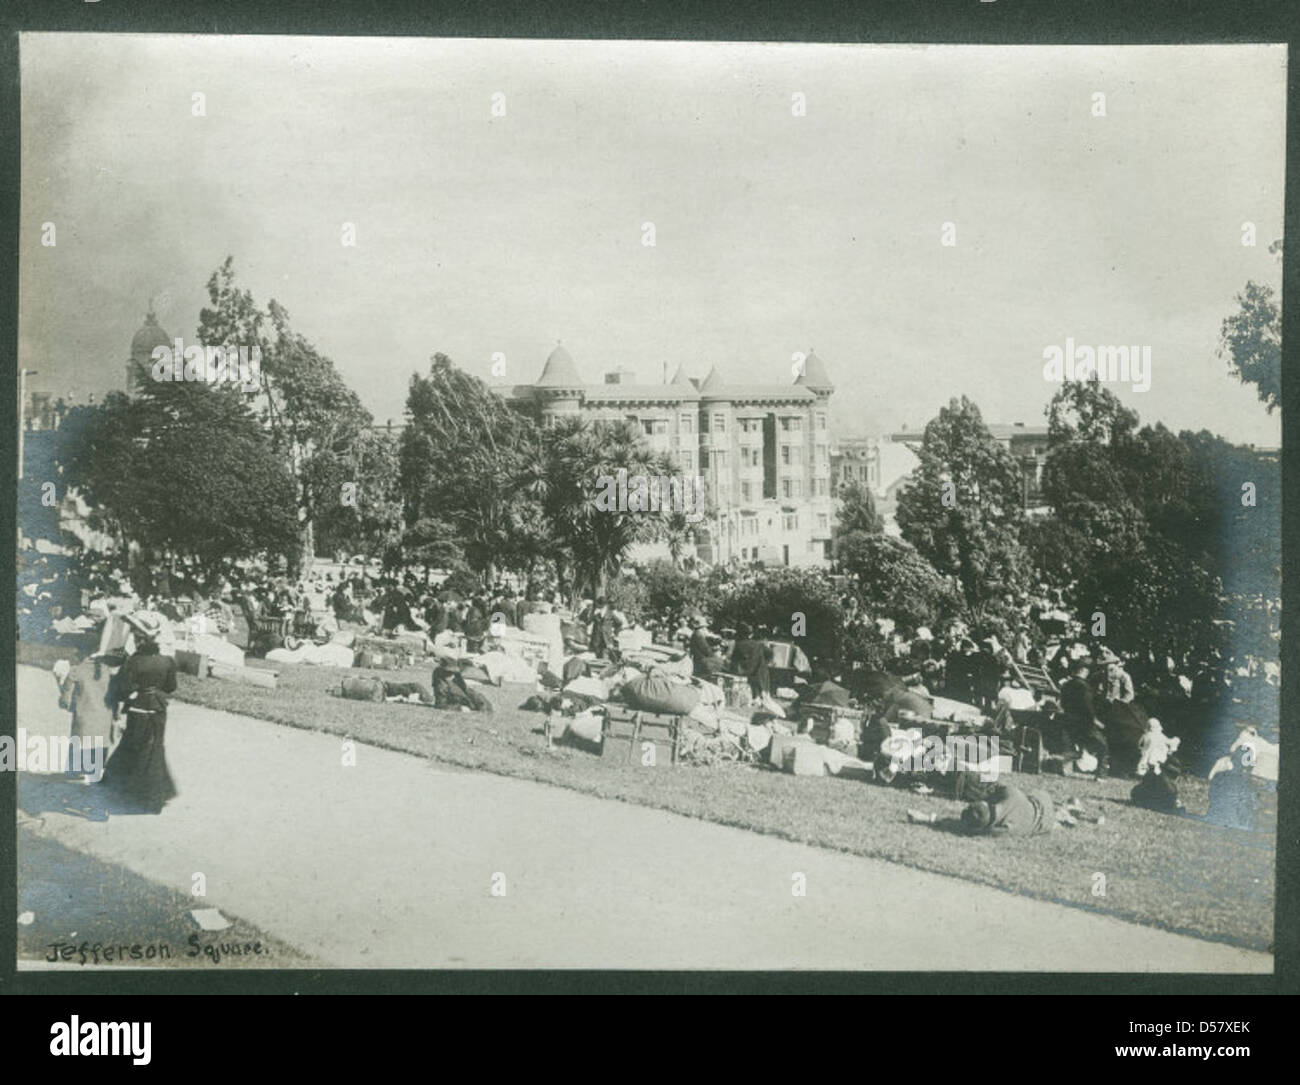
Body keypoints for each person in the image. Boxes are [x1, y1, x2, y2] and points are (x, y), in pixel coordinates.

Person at [100, 613, 179, 813]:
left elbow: (123, 689)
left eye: (136, 636)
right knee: (154, 749)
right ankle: (153, 795)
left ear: (142, 639)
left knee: (133, 745)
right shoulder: (168, 661)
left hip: (138, 707)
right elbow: (170, 688)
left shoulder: (133, 662)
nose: (134, 639)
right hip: (159, 709)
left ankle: (126, 790)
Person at [1060, 660, 1109, 777]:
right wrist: (1095, 720)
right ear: (1083, 671)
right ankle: (1101, 776)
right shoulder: (1084, 687)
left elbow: (1063, 703)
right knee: (1103, 746)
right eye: (1087, 671)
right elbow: (1087, 706)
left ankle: (1066, 770)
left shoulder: (1066, 685)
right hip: (1084, 723)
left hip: (1068, 721)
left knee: (1070, 746)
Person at [728, 621, 772, 698]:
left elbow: (733, 660)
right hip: (760, 673)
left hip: (744, 673)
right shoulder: (758, 644)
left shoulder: (738, 645)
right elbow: (770, 653)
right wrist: (766, 663)